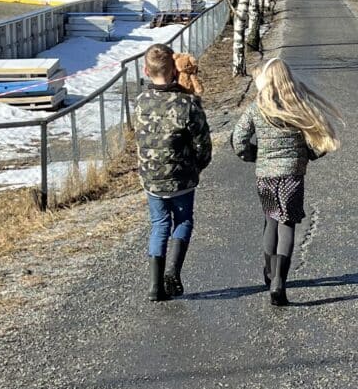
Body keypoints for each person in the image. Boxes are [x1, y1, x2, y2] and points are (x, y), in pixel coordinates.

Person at [231, 58, 341, 308]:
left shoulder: (257, 107)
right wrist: (308, 155)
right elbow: (322, 139)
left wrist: (253, 155)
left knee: (270, 219)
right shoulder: (299, 104)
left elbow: (238, 140)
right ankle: (280, 280)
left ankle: (269, 272)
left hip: (266, 176)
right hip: (292, 175)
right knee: (287, 224)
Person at [134, 42, 212, 303]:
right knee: (183, 221)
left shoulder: (140, 101)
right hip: (181, 175)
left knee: (159, 224)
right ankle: (173, 272)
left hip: (151, 176)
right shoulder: (186, 104)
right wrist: (197, 165)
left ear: (146, 70)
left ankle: (155, 286)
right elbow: (203, 142)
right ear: (175, 71)